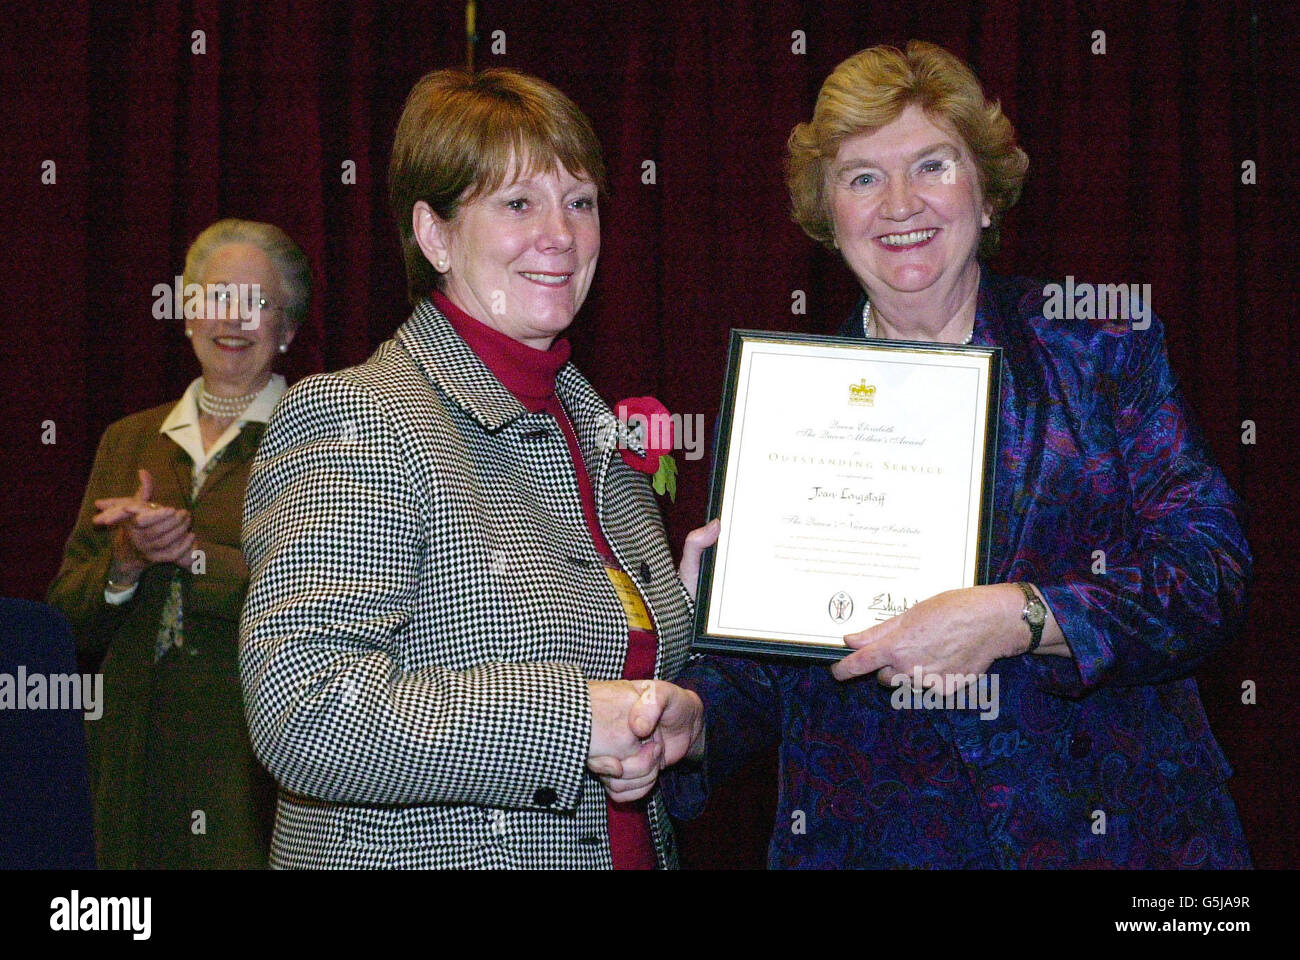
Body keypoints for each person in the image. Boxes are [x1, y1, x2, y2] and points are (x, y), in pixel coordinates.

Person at [646, 41, 1253, 868]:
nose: (900, 203)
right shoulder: (790, 403)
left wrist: (1022, 616)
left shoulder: (1102, 351)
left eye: (932, 164)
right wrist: (691, 713)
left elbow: (1208, 572)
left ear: (987, 191)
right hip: (873, 845)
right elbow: (765, 674)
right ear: (828, 213)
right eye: (862, 177)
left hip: (1117, 841)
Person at [238, 67, 702, 870]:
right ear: (436, 233)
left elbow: (612, 675)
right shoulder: (362, 417)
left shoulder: (592, 431)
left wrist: (682, 689)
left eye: (581, 201)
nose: (560, 233)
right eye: (519, 203)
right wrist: (570, 721)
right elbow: (304, 710)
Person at [47, 218, 310, 868]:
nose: (233, 319)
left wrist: (191, 555)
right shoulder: (129, 440)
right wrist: (126, 564)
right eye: (216, 297)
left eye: (257, 303)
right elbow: (66, 618)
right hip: (129, 762)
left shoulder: (320, 443)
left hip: (250, 769)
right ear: (187, 313)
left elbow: (320, 604)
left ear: (288, 330)